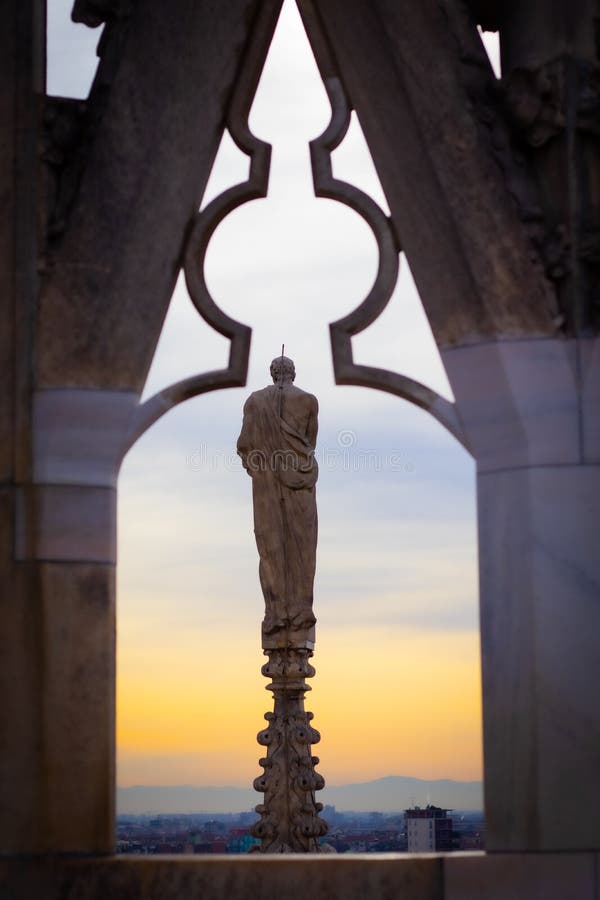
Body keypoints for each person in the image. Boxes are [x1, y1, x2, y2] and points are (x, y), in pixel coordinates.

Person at [237, 356, 319, 648]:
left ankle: (275, 614)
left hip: (266, 488)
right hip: (300, 487)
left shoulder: (254, 402)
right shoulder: (309, 401)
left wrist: (263, 469)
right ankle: (300, 612)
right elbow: (309, 445)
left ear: (272, 374)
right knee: (301, 550)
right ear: (293, 373)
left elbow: (245, 445)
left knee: (271, 549)